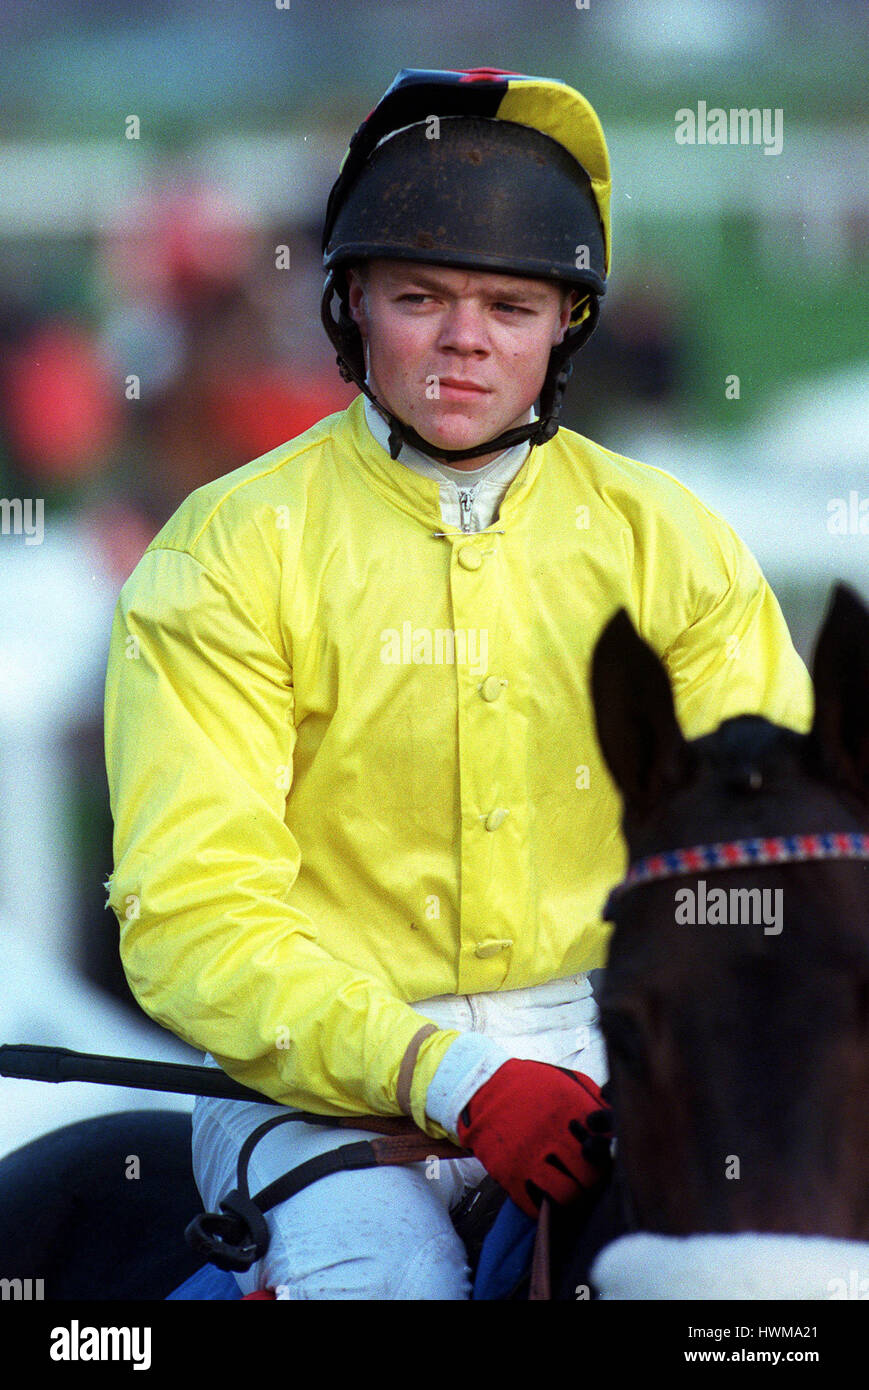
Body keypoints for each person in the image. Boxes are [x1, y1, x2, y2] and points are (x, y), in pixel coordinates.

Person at [103, 68, 813, 1299]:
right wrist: (449, 1075)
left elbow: (771, 858)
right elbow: (190, 914)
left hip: (613, 1049)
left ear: (566, 324)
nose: (464, 340)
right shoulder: (223, 552)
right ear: (352, 306)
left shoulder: (675, 545)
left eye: (510, 305)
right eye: (420, 297)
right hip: (308, 1088)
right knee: (390, 1279)